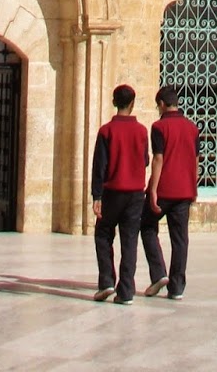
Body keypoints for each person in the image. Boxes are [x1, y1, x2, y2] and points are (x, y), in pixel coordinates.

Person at [141, 84, 201, 300]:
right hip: (185, 190)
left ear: (162, 105)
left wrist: (153, 189)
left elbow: (158, 158)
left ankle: (158, 273)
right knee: (180, 239)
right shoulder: (192, 128)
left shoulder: (158, 127)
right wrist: (193, 187)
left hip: (165, 189)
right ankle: (177, 287)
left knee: (147, 226)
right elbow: (195, 161)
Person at [91, 82, 149, 303]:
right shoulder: (142, 131)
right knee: (130, 240)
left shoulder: (106, 131)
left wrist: (96, 196)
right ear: (133, 103)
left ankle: (106, 281)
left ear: (114, 102)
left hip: (112, 192)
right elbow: (145, 161)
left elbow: (100, 166)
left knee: (103, 234)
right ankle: (126, 291)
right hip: (135, 194)